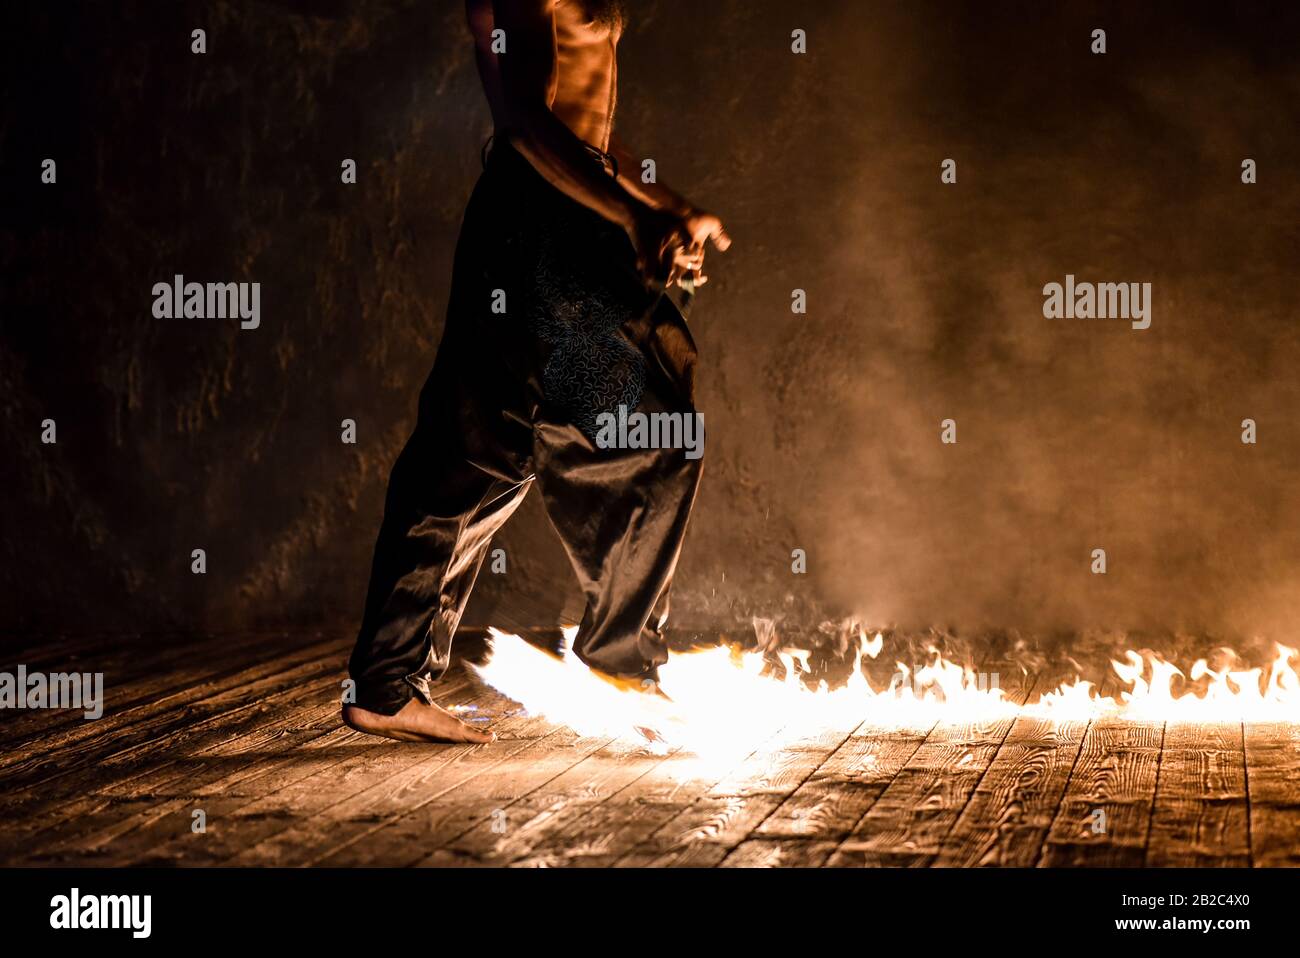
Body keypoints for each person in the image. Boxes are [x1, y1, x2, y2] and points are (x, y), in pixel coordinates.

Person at [343, 0, 730, 743]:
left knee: (476, 456)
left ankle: (386, 683)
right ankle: (619, 667)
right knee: (645, 435)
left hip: (553, 216)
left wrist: (653, 204)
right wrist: (629, 213)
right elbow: (525, 121)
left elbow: (577, 136)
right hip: (540, 223)